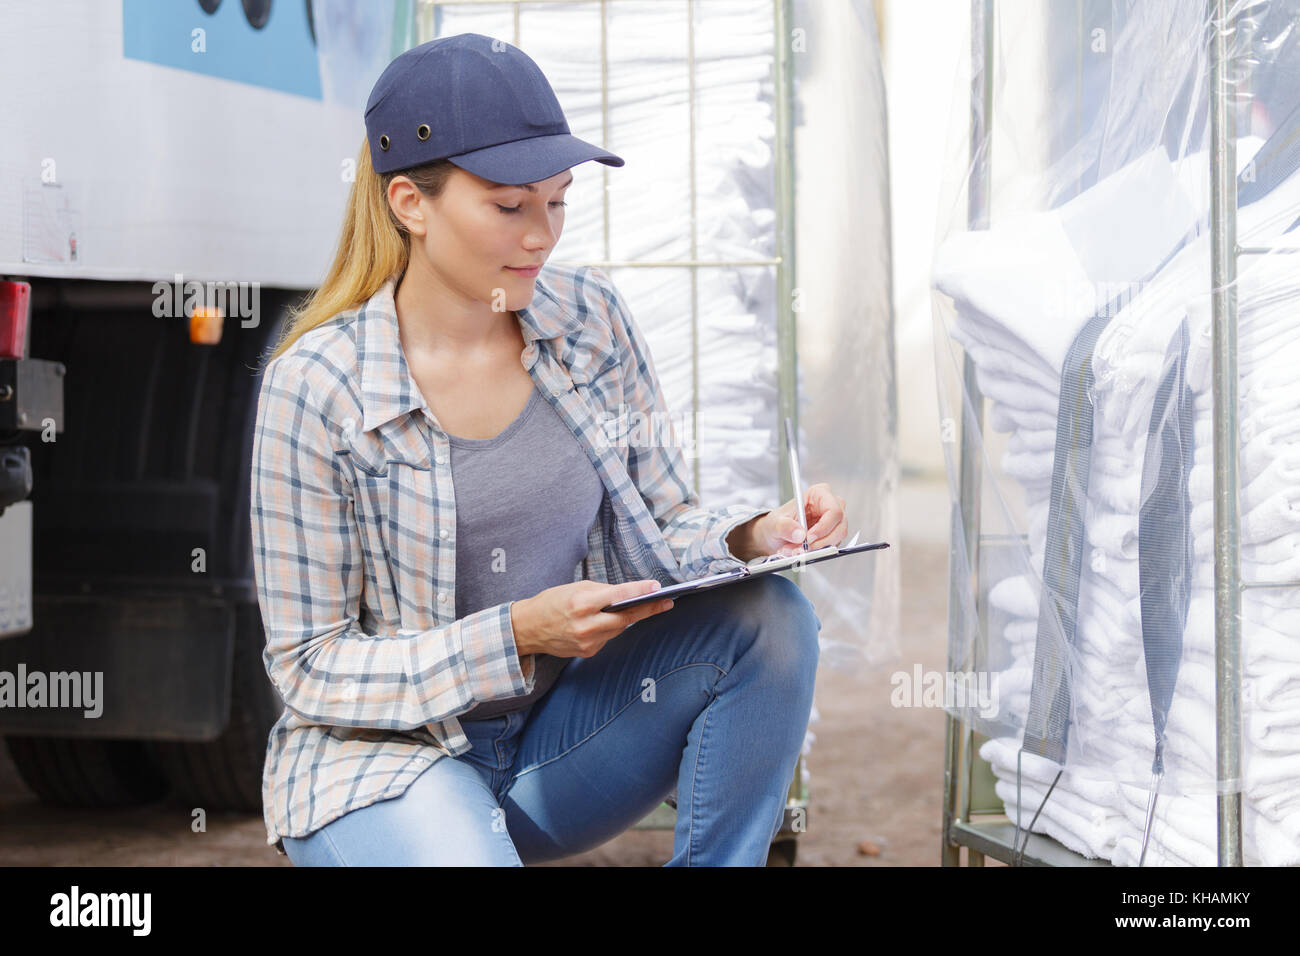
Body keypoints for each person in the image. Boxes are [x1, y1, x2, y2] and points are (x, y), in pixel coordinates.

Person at [250, 32, 850, 866]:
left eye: (557, 200)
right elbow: (313, 669)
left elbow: (663, 518)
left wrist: (754, 535)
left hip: (554, 749)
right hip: (383, 767)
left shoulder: (589, 322)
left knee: (771, 621)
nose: (542, 235)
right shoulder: (317, 386)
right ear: (409, 204)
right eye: (508, 205)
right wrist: (518, 634)